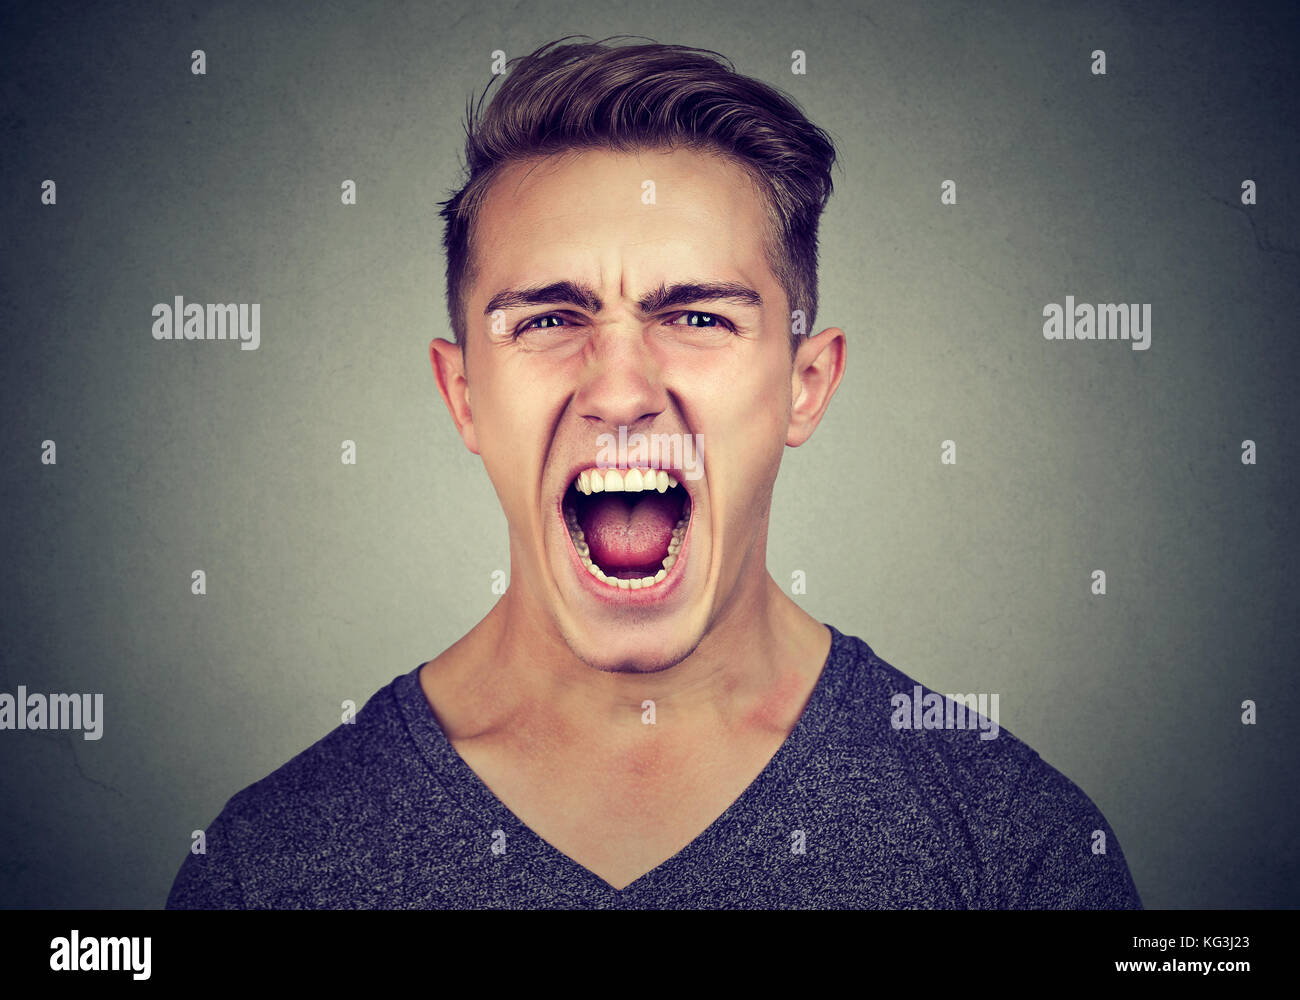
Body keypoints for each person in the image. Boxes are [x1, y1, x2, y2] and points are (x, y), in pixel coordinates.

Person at [166, 36, 1141, 908]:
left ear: (805, 383)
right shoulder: (268, 869)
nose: (621, 388)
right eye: (549, 320)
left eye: (698, 317)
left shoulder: (1018, 851)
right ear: (462, 393)